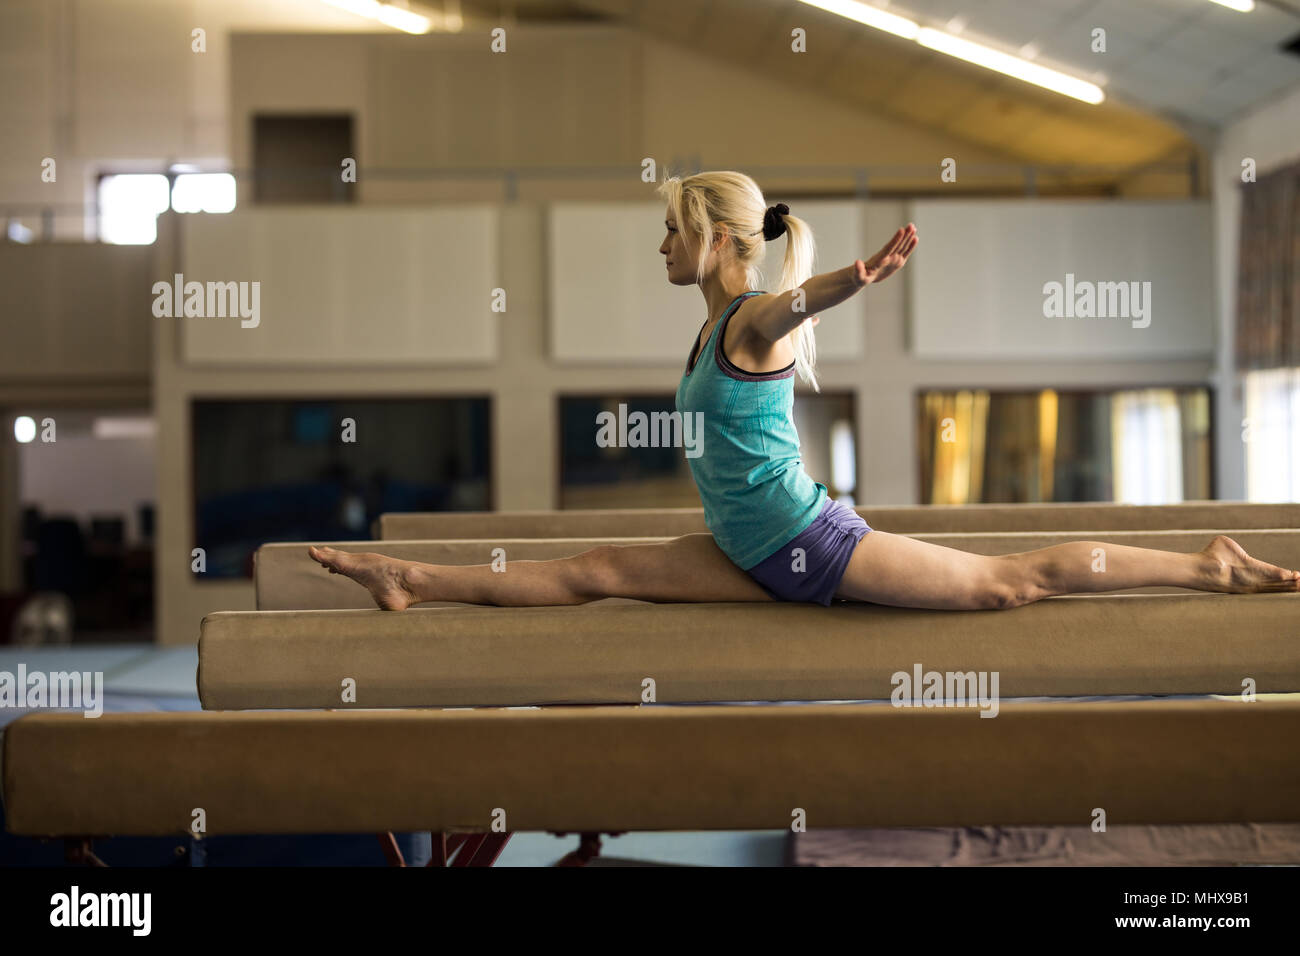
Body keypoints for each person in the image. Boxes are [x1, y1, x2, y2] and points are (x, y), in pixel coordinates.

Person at [309, 170, 1299, 610]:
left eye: (670, 229)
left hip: (800, 543)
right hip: (750, 546)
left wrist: (847, 282)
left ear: (719, 241)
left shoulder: (747, 314)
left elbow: (786, 312)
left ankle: (1204, 565)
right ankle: (413, 580)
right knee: (592, 570)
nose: (659, 244)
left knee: (1013, 582)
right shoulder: (709, 326)